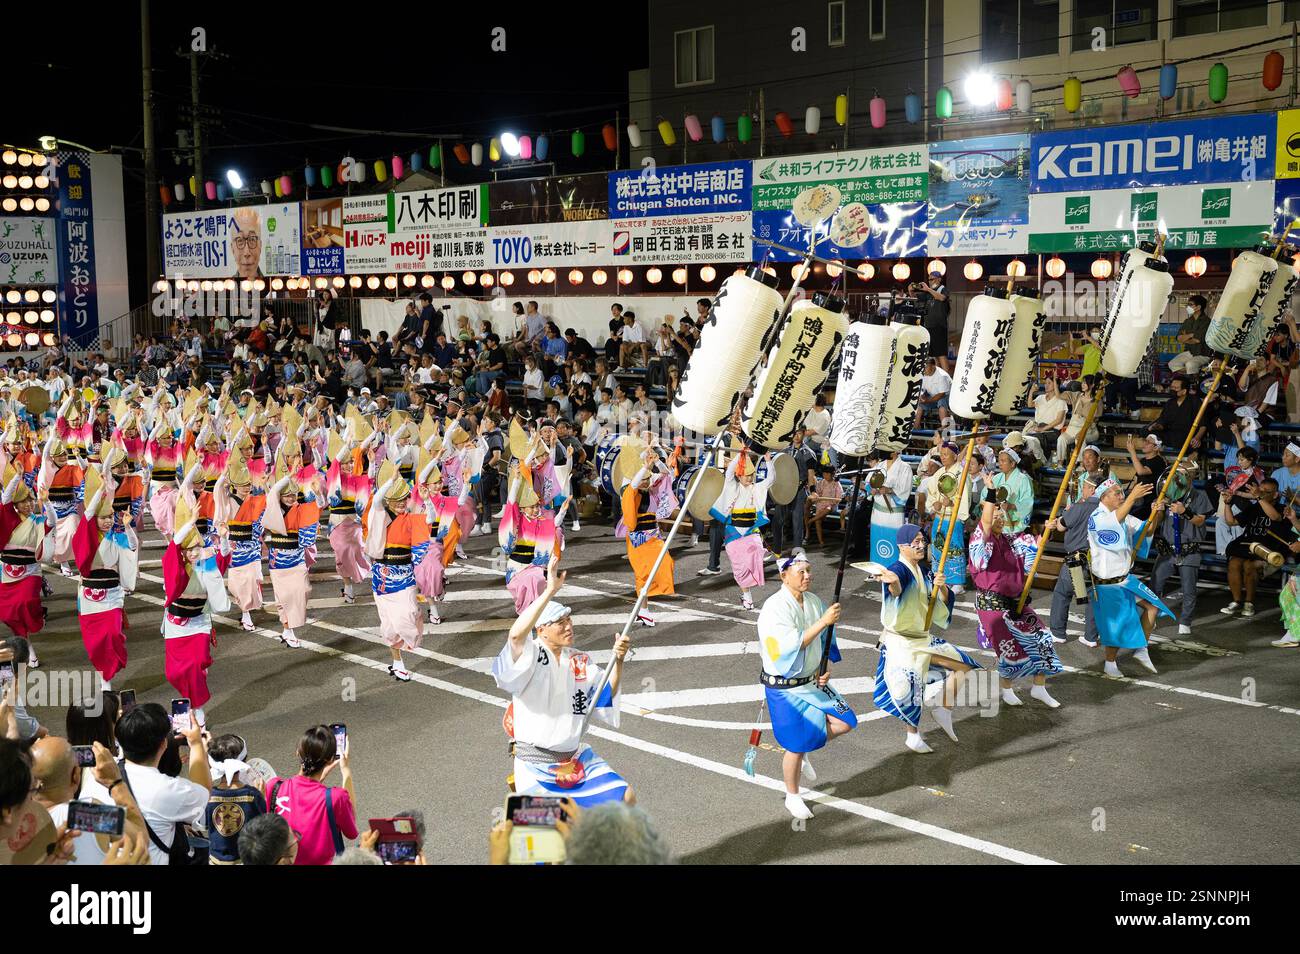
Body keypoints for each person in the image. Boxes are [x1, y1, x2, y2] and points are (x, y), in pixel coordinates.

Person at [492, 555, 634, 807]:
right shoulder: (531, 656)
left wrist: (618, 659)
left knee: (625, 797)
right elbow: (515, 637)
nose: (568, 627)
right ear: (541, 630)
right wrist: (548, 591)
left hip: (575, 760)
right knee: (553, 833)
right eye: (560, 622)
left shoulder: (579, 660)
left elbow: (604, 695)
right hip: (535, 765)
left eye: (569, 620)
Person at [757, 551, 855, 820]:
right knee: (795, 746)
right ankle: (792, 794)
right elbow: (789, 645)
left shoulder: (813, 601)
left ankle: (805, 747)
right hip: (785, 687)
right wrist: (824, 621)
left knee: (846, 721)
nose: (807, 575)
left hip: (811, 680)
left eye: (809, 570)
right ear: (783, 575)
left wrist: (826, 666)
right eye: (800, 571)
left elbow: (824, 640)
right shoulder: (774, 608)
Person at [873, 524, 978, 753]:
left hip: (922, 638)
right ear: (902, 546)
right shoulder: (897, 569)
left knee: (963, 664)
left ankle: (943, 709)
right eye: (916, 541)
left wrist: (941, 589)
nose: (922, 545)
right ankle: (912, 735)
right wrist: (892, 583)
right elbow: (896, 589)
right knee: (911, 689)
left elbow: (941, 600)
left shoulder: (924, 570)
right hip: (902, 642)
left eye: (923, 540)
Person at [968, 472, 1062, 708]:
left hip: (1016, 602)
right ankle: (1006, 688)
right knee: (1009, 652)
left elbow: (1032, 548)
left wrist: (1048, 530)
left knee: (1041, 637)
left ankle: (1039, 688)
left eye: (1002, 515)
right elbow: (987, 522)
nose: (999, 518)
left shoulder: (1011, 540)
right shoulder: (981, 539)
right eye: (995, 515)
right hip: (992, 606)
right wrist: (990, 493)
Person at [1086, 478, 1171, 678]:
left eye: (1122, 492)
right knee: (1117, 626)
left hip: (1125, 579)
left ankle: (1141, 649)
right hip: (1108, 584)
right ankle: (1109, 663)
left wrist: (1156, 512)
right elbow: (1116, 520)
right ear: (1104, 497)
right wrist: (1133, 496)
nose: (1121, 496)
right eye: (1117, 493)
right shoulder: (1097, 517)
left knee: (1153, 606)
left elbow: (1148, 529)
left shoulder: (1122, 516)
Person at [115, 703, 211, 866]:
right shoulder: (167, 790)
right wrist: (196, 744)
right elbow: (204, 792)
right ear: (163, 744)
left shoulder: (104, 775)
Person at [161, 515, 230, 727]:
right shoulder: (175, 567)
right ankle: (189, 698)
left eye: (196, 548)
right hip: (176, 623)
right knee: (174, 673)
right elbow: (172, 549)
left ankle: (197, 708)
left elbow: (224, 558)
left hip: (199, 622)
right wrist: (189, 523)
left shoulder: (207, 564)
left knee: (196, 663)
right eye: (188, 549)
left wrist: (224, 538)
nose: (192, 553)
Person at [264, 725, 358, 865]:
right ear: (331, 759)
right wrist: (346, 772)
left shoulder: (274, 787)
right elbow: (351, 833)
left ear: (298, 752)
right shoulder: (335, 797)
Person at [1220, 477, 1300, 617]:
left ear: (1275, 495)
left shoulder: (1283, 509)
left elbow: (1274, 517)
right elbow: (1231, 522)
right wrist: (1227, 503)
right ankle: (1236, 601)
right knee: (1234, 563)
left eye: (1265, 492)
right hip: (1249, 547)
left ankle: (1249, 603)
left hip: (1272, 551)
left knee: (1250, 565)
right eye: (1259, 490)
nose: (1260, 493)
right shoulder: (1253, 508)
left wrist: (1258, 496)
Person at [1149, 462, 1211, 637]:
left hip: (1189, 548)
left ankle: (1185, 621)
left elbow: (1199, 521)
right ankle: (1151, 618)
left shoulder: (1200, 495)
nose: (1178, 476)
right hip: (1167, 548)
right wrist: (1157, 510)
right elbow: (1159, 520)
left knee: (1189, 589)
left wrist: (1185, 511)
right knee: (1155, 584)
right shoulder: (1166, 493)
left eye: (1184, 473)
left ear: (1192, 476)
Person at [709, 451, 775, 610]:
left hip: (751, 531)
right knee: (740, 568)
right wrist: (740, 455)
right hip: (733, 533)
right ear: (739, 475)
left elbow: (771, 479)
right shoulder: (732, 485)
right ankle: (747, 597)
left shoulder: (757, 488)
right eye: (746, 475)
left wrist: (768, 460)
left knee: (756, 552)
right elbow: (729, 472)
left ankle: (760, 553)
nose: (749, 478)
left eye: (751, 475)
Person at [263, 465, 319, 650]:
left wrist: (316, 492)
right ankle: (288, 630)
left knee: (304, 590)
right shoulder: (274, 509)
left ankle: (289, 629)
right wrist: (288, 476)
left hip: (296, 558)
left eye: (293, 495)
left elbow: (316, 505)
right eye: (287, 495)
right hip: (278, 560)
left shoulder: (301, 509)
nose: (291, 498)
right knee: (284, 597)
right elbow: (273, 492)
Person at [1046, 469, 1105, 647]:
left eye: (1085, 486)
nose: (1083, 489)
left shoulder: (1081, 506)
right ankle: (1091, 636)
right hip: (1098, 560)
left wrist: (1057, 520)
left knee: (1063, 593)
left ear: (1093, 489)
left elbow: (1062, 527)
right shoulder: (1107, 509)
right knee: (1091, 596)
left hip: (1077, 559)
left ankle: (1058, 633)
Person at [618, 446, 674, 626]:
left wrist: (656, 462)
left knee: (665, 563)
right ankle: (644, 610)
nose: (646, 483)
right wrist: (644, 469)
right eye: (644, 480)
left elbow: (666, 474)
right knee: (642, 575)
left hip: (654, 537)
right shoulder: (628, 488)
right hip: (638, 539)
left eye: (648, 479)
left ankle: (642, 610)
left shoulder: (651, 484)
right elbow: (634, 484)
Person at [919, 441, 973, 595]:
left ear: (955, 455)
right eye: (941, 454)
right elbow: (931, 492)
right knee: (938, 546)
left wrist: (952, 503)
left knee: (953, 547)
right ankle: (941, 577)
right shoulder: (939, 472)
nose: (942, 457)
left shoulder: (962, 473)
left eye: (945, 454)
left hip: (953, 517)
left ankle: (957, 582)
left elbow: (965, 498)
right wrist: (934, 504)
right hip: (939, 516)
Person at [205, 733, 268, 865]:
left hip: (215, 859)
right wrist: (262, 797)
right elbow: (263, 823)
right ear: (243, 761)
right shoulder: (252, 795)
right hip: (245, 858)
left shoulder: (208, 795)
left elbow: (205, 824)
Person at [1021, 376, 1069, 465]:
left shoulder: (1061, 401)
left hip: (1053, 430)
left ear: (1056, 385)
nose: (1046, 385)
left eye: (1049, 383)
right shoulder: (1040, 397)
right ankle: (1030, 459)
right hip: (1038, 427)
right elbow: (1030, 404)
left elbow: (1058, 420)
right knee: (1025, 437)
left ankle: (1042, 460)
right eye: (1045, 383)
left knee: (1037, 437)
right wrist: (1031, 391)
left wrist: (1043, 429)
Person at [1124, 434, 1168, 524]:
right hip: (1139, 498)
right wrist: (1119, 487)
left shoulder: (1158, 461)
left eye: (1148, 442)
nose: (1144, 443)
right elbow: (1136, 481)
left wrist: (1132, 452)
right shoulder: (1143, 460)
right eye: (1145, 440)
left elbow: (1141, 471)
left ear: (1155, 448)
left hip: (1148, 502)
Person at [913, 271, 950, 373]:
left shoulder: (943, 289)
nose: (929, 281)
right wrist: (911, 289)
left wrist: (928, 289)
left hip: (939, 325)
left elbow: (942, 298)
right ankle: (938, 378)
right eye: (929, 279)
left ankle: (947, 379)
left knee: (941, 354)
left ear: (939, 279)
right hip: (929, 325)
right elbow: (915, 299)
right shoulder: (927, 293)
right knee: (934, 354)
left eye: (932, 279)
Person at [1168, 295, 1213, 376]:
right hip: (1189, 352)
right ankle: (1193, 375)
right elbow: (1179, 338)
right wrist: (1191, 335)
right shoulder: (1187, 321)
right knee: (1172, 364)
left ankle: (1194, 381)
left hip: (1203, 354)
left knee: (1190, 364)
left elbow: (1198, 340)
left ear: (1198, 307)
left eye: (1190, 304)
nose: (1188, 307)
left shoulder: (1207, 322)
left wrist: (1186, 337)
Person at [915, 357, 954, 435]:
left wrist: (928, 400)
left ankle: (944, 426)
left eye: (926, 366)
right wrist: (922, 396)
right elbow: (921, 389)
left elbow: (942, 394)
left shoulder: (942, 375)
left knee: (941, 402)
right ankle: (916, 425)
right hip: (932, 395)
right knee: (920, 403)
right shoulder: (922, 374)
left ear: (933, 366)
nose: (924, 369)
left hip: (947, 396)